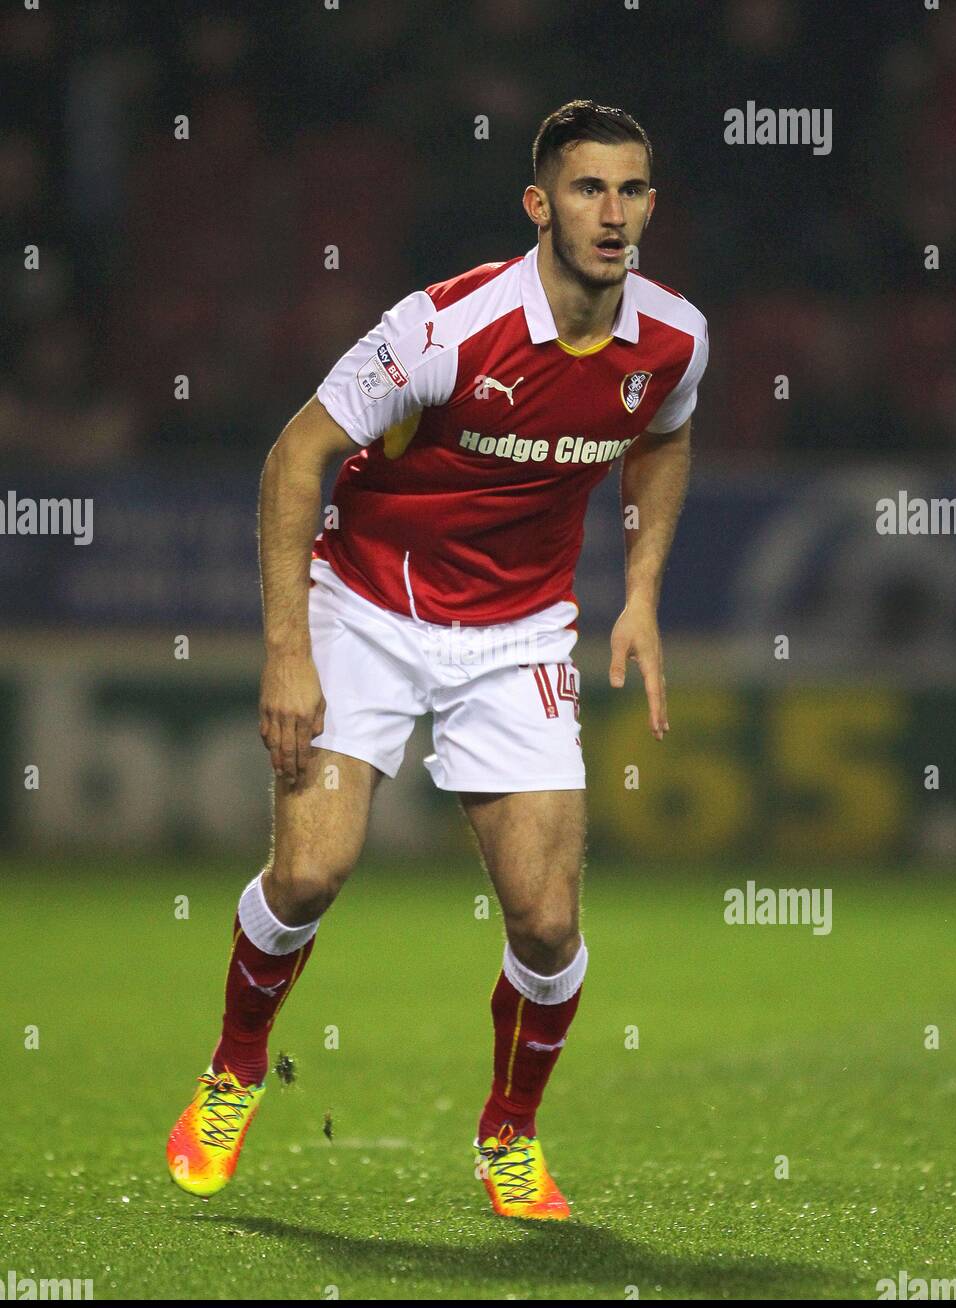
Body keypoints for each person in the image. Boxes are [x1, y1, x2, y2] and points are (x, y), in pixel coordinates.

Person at [167, 99, 708, 1220]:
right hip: (365, 604)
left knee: (549, 923)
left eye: (633, 190)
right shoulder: (444, 327)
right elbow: (296, 455)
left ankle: (509, 1134)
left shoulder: (674, 339)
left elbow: (661, 434)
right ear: (539, 204)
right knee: (313, 869)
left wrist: (641, 594)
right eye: (588, 189)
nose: (614, 214)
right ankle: (233, 1068)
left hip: (517, 633)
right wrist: (287, 651)